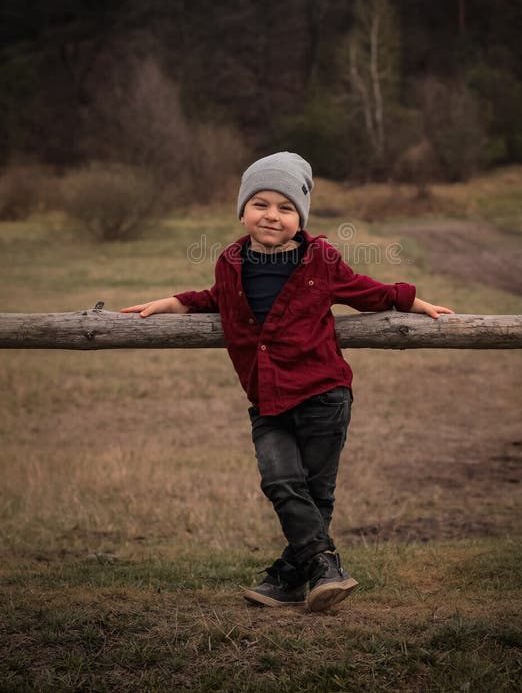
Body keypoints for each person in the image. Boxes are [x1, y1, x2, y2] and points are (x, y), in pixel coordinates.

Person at [120, 152, 453, 612]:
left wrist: (412, 301)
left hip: (323, 395)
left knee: (316, 493)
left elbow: (365, 291)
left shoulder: (321, 260)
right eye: (260, 203)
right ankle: (322, 566)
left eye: (285, 207)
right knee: (280, 480)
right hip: (268, 399)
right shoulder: (230, 262)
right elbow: (219, 299)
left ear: (300, 217)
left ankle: (292, 577)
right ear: (242, 210)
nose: (272, 215)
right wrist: (175, 302)